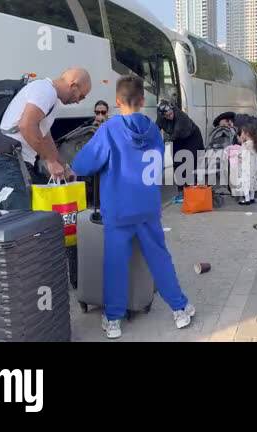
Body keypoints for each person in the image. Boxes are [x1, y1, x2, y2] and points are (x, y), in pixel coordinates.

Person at [71, 76, 195, 340]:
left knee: (115, 264)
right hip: (149, 207)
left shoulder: (109, 129)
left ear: (117, 101)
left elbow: (83, 165)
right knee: (160, 259)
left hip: (118, 210)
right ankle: (180, 309)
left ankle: (113, 320)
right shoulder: (152, 129)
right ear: (141, 101)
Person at [0, 67, 92, 210]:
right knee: (17, 220)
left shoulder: (51, 98)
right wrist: (50, 161)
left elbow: (45, 136)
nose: (79, 101)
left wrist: (63, 166)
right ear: (73, 85)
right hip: (9, 162)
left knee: (25, 218)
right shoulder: (45, 91)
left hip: (13, 161)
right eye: (81, 96)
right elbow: (26, 125)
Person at [156, 100, 204, 204]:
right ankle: (181, 190)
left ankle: (193, 188)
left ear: (172, 110)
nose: (170, 116)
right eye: (167, 116)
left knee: (190, 161)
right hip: (178, 139)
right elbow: (156, 129)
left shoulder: (180, 116)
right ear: (163, 115)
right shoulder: (160, 117)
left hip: (192, 137)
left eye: (171, 114)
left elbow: (176, 133)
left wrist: (165, 141)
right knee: (177, 162)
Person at [236, 123, 257, 205]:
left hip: (246, 168)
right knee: (252, 182)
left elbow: (241, 155)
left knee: (246, 182)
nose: (241, 134)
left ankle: (247, 199)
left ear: (247, 133)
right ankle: (252, 198)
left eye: (242, 133)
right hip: (253, 168)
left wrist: (241, 142)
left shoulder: (246, 144)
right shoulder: (254, 143)